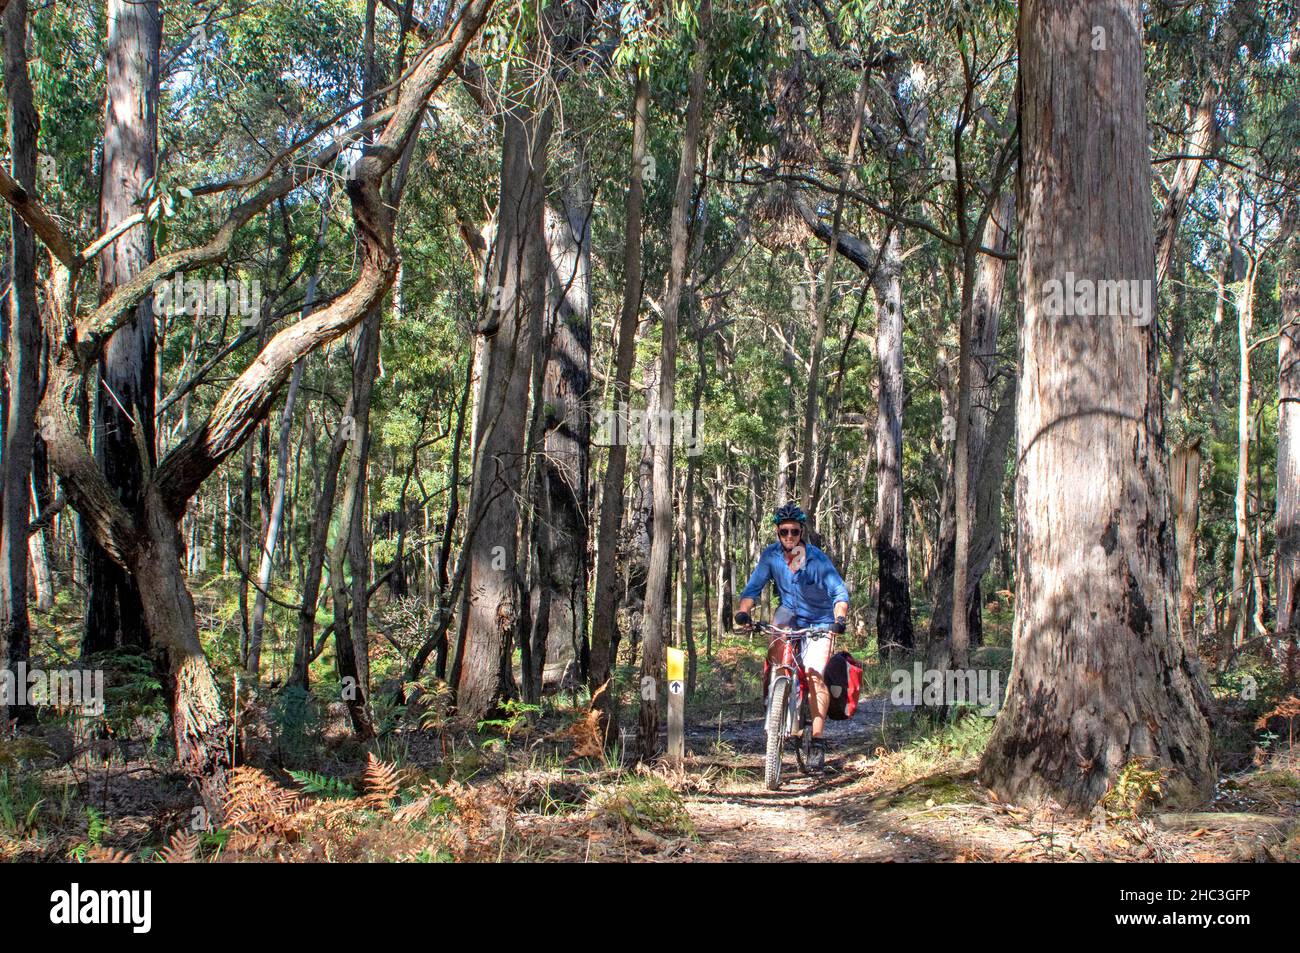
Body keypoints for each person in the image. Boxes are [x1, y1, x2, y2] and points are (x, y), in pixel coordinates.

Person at [734, 503, 850, 773]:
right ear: (777, 532)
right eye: (784, 531)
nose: (789, 537)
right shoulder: (771, 556)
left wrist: (839, 619)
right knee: (777, 657)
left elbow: (839, 594)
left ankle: (818, 741)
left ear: (801, 533)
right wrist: (743, 613)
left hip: (820, 619)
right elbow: (753, 588)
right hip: (789, 613)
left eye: (794, 532)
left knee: (813, 674)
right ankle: (778, 696)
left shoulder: (817, 559)